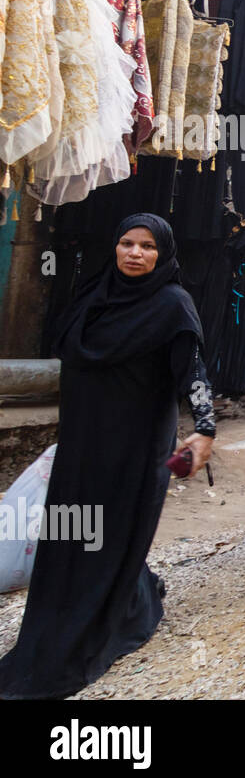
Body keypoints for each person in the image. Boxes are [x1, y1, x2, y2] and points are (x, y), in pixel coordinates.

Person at [0, 215, 215, 699]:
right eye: (126, 243)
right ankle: (115, 601)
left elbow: (193, 370)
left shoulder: (172, 306)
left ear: (164, 254)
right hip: (82, 442)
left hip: (135, 448)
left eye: (147, 246)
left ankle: (96, 619)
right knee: (72, 534)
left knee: (110, 534)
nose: (135, 253)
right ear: (114, 248)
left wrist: (204, 428)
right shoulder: (93, 298)